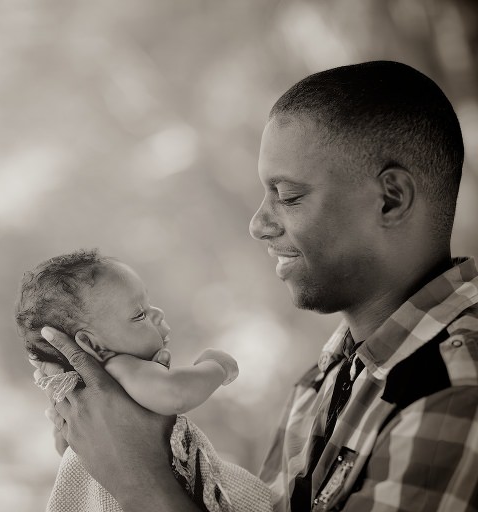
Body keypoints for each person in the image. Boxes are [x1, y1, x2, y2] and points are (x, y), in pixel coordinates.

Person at [33, 60, 478, 511]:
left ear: (391, 199)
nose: (258, 224)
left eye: (288, 196)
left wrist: (140, 480)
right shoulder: (325, 378)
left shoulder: (454, 389)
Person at [16, 249, 270, 511]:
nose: (158, 314)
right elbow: (176, 394)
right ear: (93, 345)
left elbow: (67, 447)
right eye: (140, 315)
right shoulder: (123, 367)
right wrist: (216, 366)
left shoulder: (80, 398)